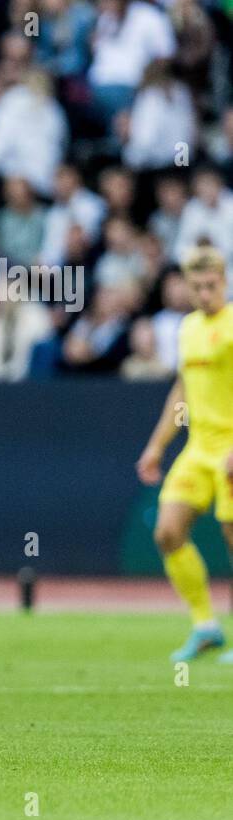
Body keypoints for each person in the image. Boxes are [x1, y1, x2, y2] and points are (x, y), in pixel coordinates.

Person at [135, 246, 233, 662]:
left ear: (225, 282)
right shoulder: (188, 329)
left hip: (230, 449)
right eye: (197, 287)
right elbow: (182, 391)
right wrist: (157, 446)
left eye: (212, 285)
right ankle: (205, 625)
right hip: (199, 448)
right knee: (167, 532)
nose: (205, 293)